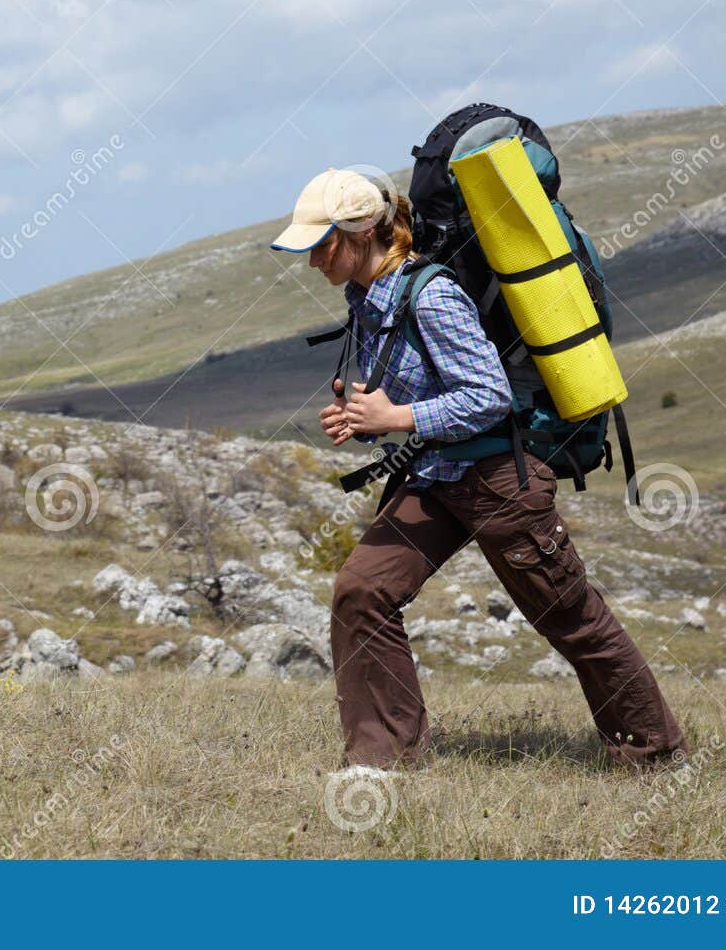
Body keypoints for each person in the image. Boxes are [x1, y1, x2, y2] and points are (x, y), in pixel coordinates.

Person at [271, 168, 689, 772]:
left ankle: (656, 754)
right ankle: (382, 757)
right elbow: (419, 388)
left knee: (572, 620)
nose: (312, 260)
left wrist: (399, 415)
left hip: (497, 481)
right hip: (436, 476)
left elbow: (488, 396)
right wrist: (364, 413)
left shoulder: (433, 294)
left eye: (322, 244)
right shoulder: (366, 297)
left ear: (363, 232)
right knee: (362, 591)